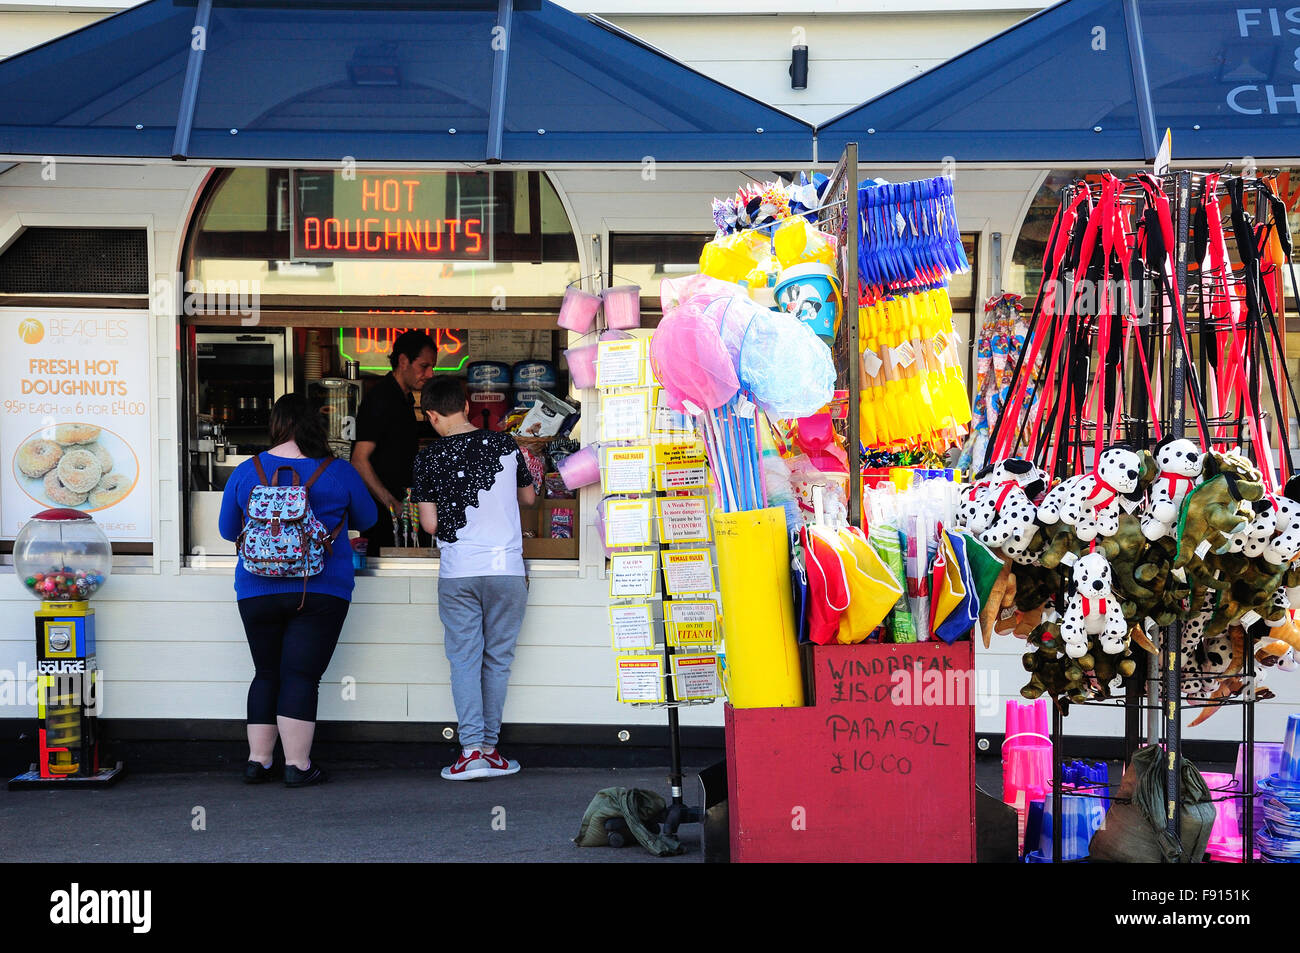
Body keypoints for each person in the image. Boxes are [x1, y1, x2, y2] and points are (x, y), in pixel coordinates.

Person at [219, 393, 377, 787]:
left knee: (266, 672)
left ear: (276, 424)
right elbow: (368, 519)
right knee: (301, 676)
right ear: (315, 426)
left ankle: (258, 761)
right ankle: (297, 766)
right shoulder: (337, 471)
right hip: (320, 588)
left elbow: (226, 531)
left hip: (256, 588)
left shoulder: (246, 471)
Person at [412, 376, 536, 781]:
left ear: (431, 414)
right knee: (497, 660)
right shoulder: (504, 444)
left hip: (459, 571)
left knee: (465, 659)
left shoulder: (429, 457)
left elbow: (430, 524)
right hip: (506, 571)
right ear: (466, 405)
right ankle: (491, 749)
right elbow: (529, 498)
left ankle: (470, 753)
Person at [352, 329, 437, 552]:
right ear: (403, 361)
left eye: (432, 367)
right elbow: (359, 460)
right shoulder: (381, 399)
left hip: (402, 511)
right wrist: (392, 503)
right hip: (383, 516)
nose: (430, 374)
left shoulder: (404, 398)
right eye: (424, 366)